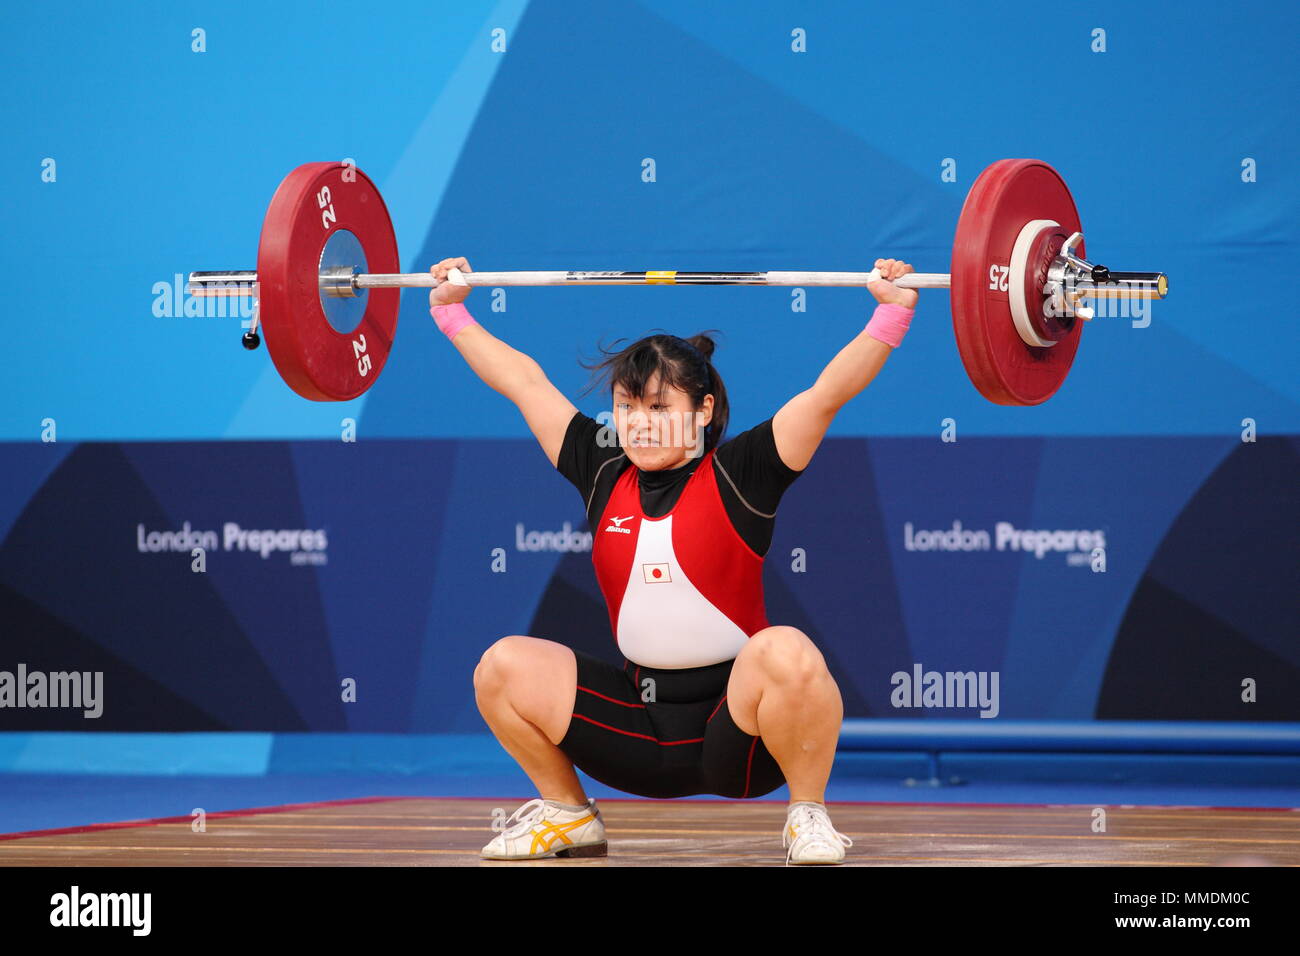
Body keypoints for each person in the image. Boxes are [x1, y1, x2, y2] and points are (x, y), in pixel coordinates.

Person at [427, 256, 917, 865]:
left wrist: (892, 311)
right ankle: (568, 815)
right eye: (628, 409)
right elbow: (524, 382)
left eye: (659, 408)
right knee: (501, 667)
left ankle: (808, 816)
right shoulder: (600, 467)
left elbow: (827, 394)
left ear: (704, 411)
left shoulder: (745, 472)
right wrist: (452, 312)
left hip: (738, 736)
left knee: (786, 650)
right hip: (635, 729)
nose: (640, 425)